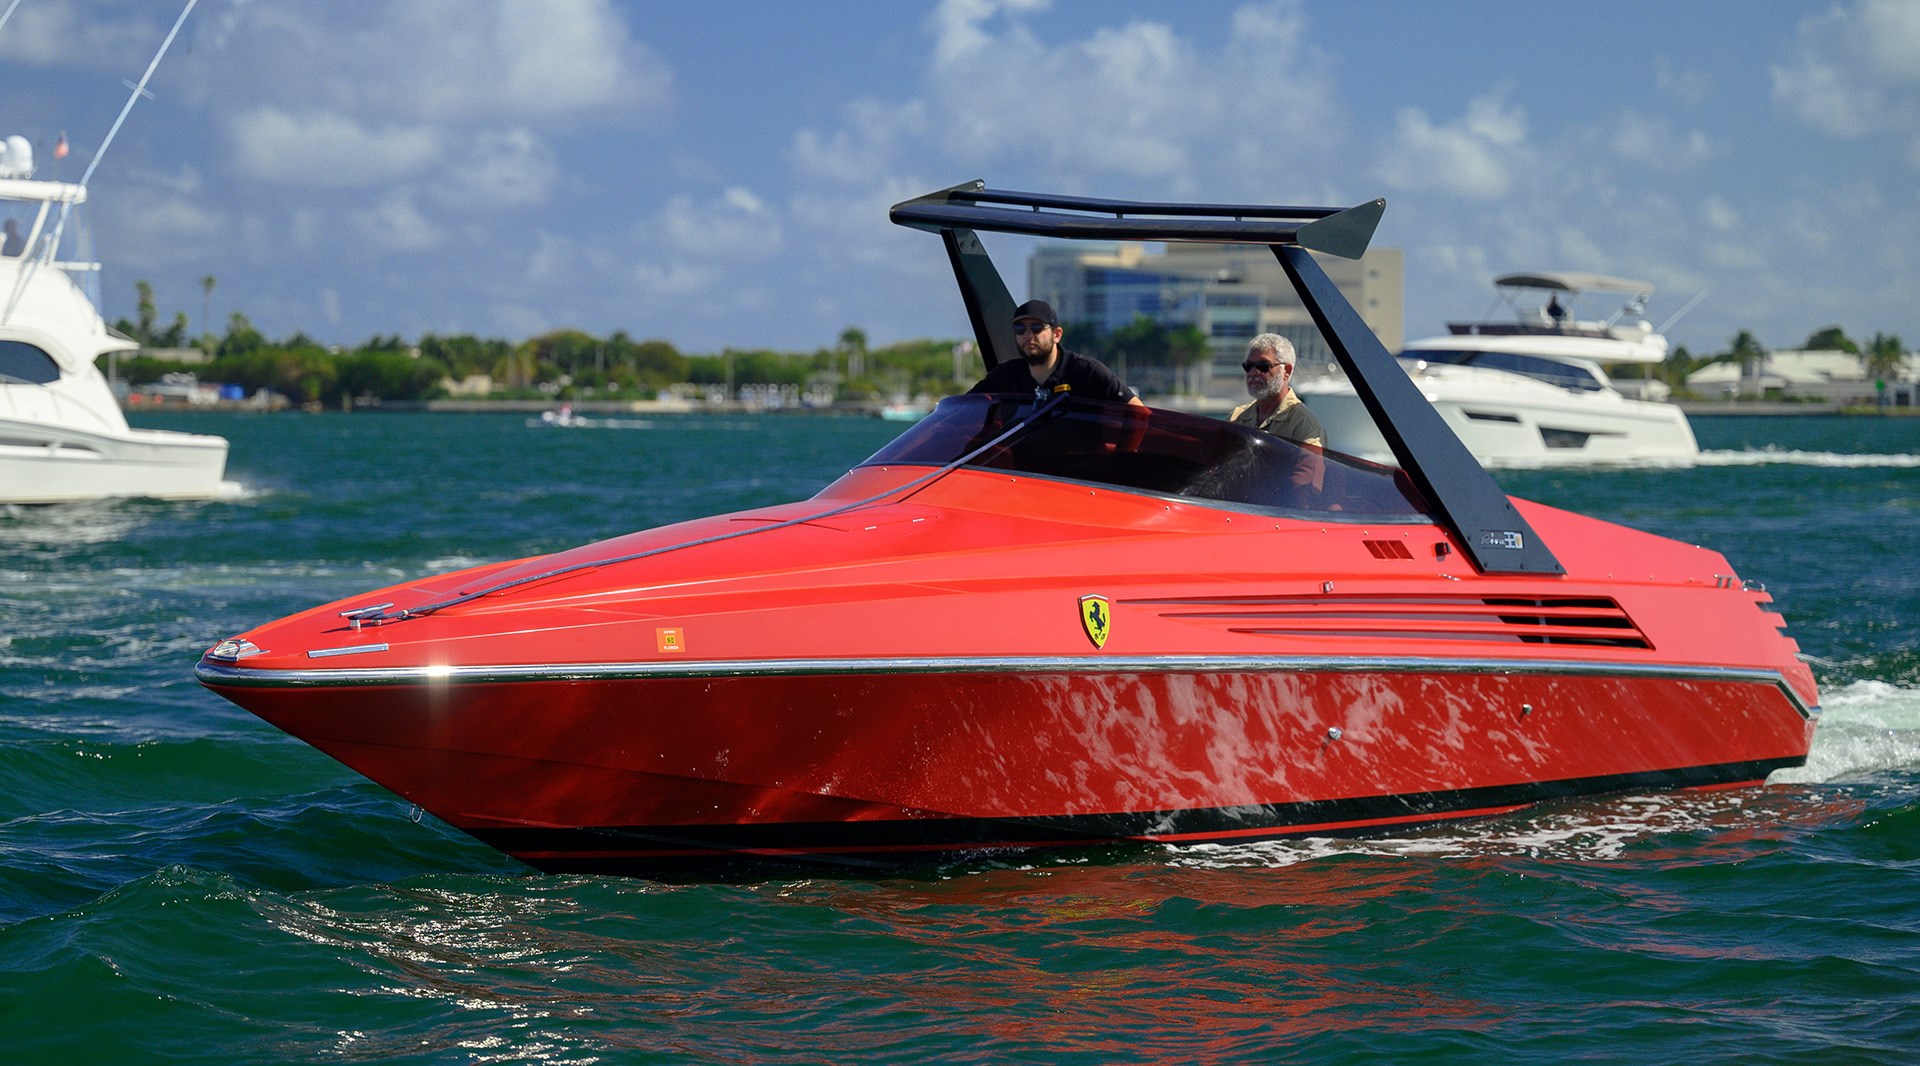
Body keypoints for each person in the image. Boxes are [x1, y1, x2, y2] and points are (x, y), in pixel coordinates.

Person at [969, 299, 1144, 406]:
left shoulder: (1087, 372)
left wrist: (1120, 454)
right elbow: (964, 408)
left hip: (1078, 466)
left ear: (1057, 334)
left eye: (1037, 328)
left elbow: (1137, 411)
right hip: (1018, 467)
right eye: (1020, 329)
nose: (1028, 335)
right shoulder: (1005, 375)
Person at [1229, 333, 1324, 494]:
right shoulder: (1237, 416)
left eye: (1263, 366)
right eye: (1248, 366)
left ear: (1286, 371)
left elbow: (1305, 491)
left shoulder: (1305, 425)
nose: (1253, 373)